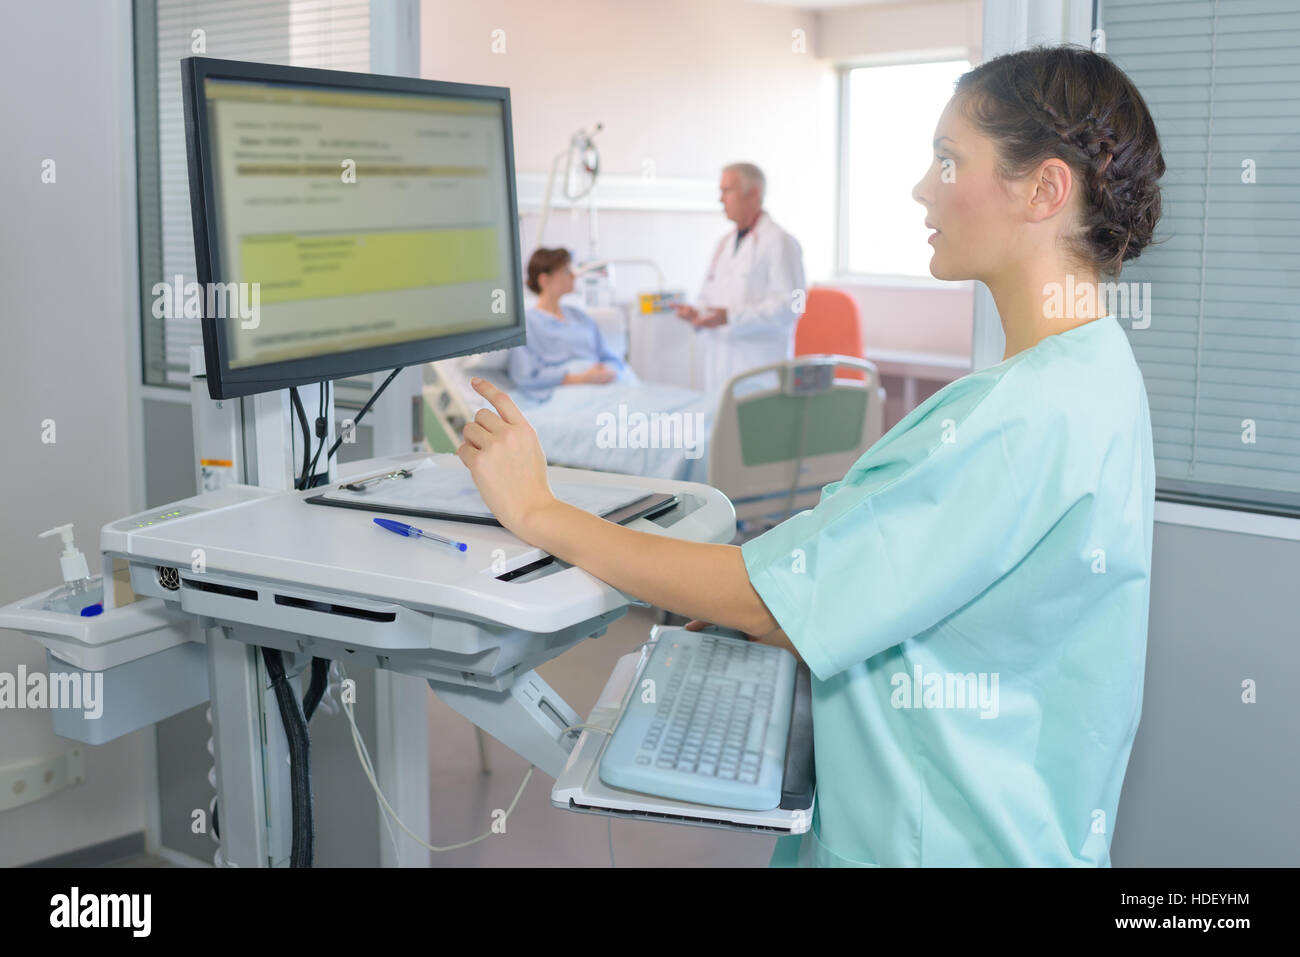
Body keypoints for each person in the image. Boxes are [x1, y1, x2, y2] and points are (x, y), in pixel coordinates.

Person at [457, 45, 1162, 867]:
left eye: (948, 161)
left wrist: (539, 509)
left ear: (1043, 188)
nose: (922, 187)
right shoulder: (1096, 370)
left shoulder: (1015, 421)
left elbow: (760, 598)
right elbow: (949, 592)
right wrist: (796, 616)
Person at [673, 163, 806, 392]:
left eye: (727, 190)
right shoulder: (723, 245)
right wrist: (699, 313)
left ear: (752, 193)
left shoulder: (781, 243)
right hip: (719, 372)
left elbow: (793, 306)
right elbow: (710, 295)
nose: (720, 199)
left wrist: (731, 317)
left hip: (759, 373)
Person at [509, 248, 629, 399]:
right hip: (565, 393)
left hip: (604, 385)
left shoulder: (580, 317)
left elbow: (608, 356)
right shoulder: (527, 324)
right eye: (566, 271)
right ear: (544, 280)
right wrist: (581, 379)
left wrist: (611, 371)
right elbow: (525, 374)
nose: (573, 275)